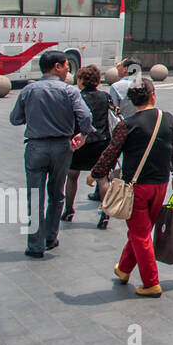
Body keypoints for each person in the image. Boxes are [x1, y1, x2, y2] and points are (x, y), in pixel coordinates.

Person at [89, 81, 173, 297]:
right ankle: (123, 269)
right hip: (160, 184)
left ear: (132, 101)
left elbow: (111, 153)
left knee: (140, 234)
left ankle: (151, 283)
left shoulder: (127, 125)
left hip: (136, 187)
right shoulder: (168, 119)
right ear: (153, 95)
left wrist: (95, 174)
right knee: (141, 230)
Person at [9, 50, 93, 258]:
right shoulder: (69, 91)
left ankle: (35, 245)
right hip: (62, 147)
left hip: (35, 147)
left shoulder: (29, 90)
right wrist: (82, 135)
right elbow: (85, 117)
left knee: (35, 196)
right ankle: (50, 237)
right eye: (66, 66)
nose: (67, 70)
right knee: (57, 195)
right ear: (56, 66)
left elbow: (15, 119)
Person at [67, 65, 115, 229]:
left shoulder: (76, 97)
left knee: (72, 176)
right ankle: (105, 216)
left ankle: (68, 210)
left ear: (81, 80)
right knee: (103, 179)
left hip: (80, 142)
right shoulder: (105, 96)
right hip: (101, 142)